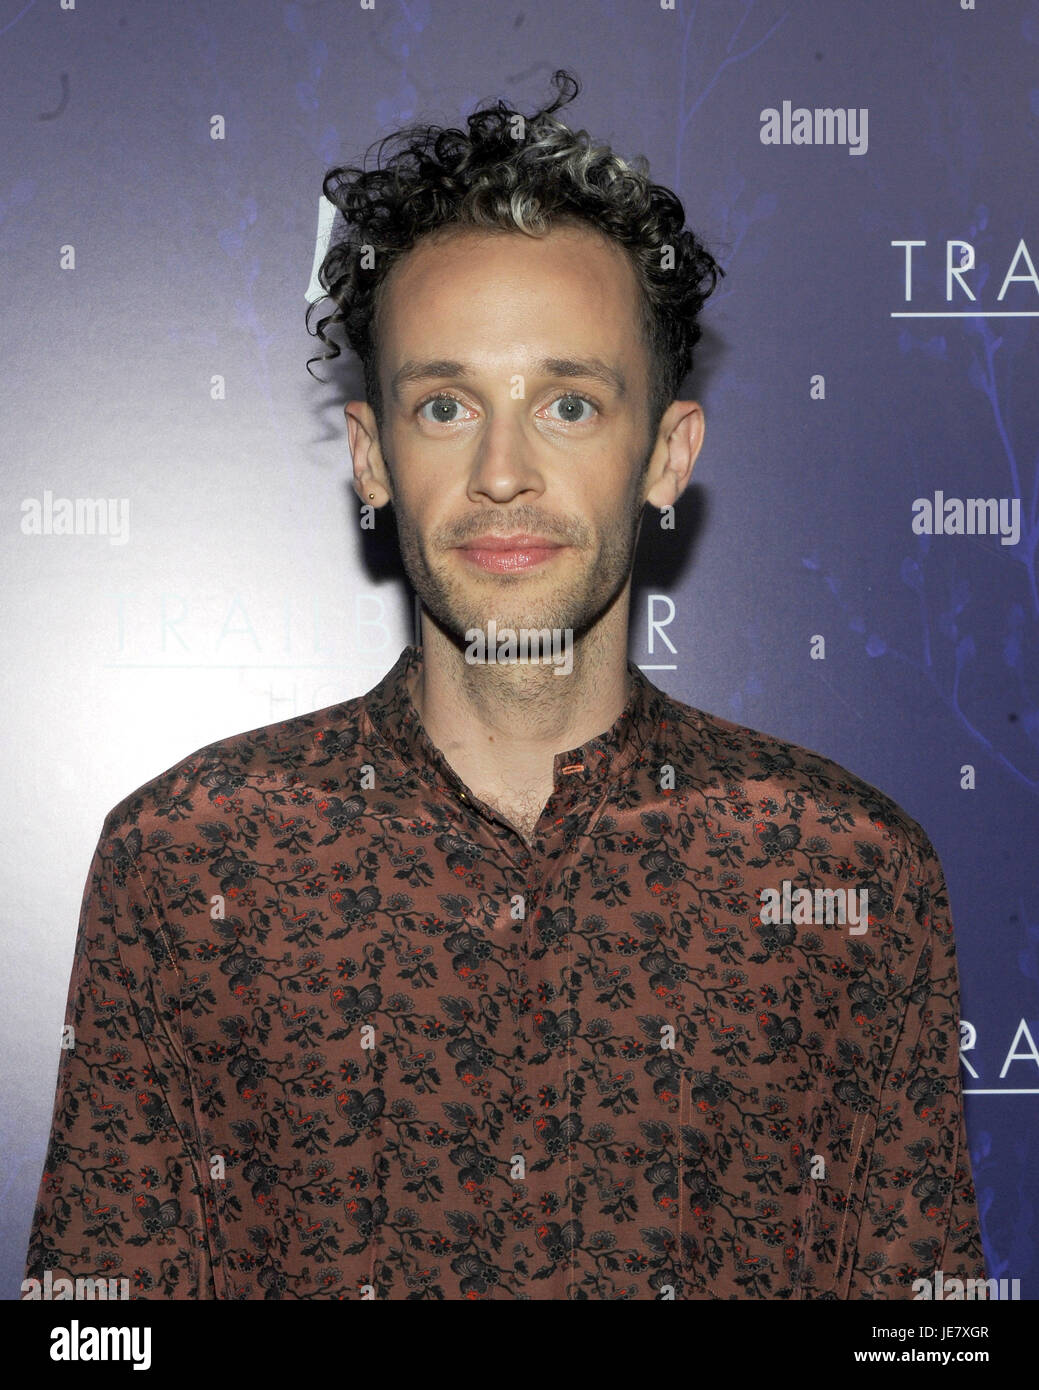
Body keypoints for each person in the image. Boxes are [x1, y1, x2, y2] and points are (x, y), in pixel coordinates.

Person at [24, 70, 985, 1300]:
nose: (500, 471)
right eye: (443, 405)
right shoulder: (189, 860)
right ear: (372, 459)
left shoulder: (845, 874)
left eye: (568, 403)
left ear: (667, 453)